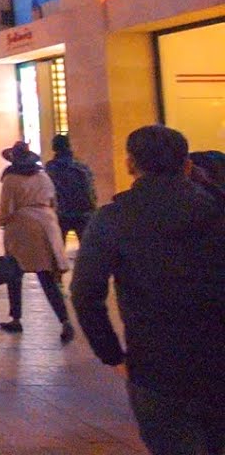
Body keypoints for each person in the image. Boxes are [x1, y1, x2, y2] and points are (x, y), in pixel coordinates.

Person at [72, 125, 225, 455]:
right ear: (186, 164)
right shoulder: (216, 208)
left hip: (155, 362)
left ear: (130, 164)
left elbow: (85, 293)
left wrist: (111, 353)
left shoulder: (113, 219)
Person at [0, 141, 74, 342]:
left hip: (22, 229)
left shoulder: (11, 179)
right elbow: (53, 201)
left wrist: (1, 217)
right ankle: (64, 320)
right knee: (47, 277)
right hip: (47, 226)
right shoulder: (43, 176)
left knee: (14, 273)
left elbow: (7, 208)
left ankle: (16, 318)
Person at [44, 134, 96, 244]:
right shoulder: (81, 166)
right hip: (83, 213)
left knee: (58, 251)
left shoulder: (50, 168)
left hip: (60, 213)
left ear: (54, 148)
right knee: (86, 250)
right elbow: (91, 188)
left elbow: (46, 191)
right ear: (69, 146)